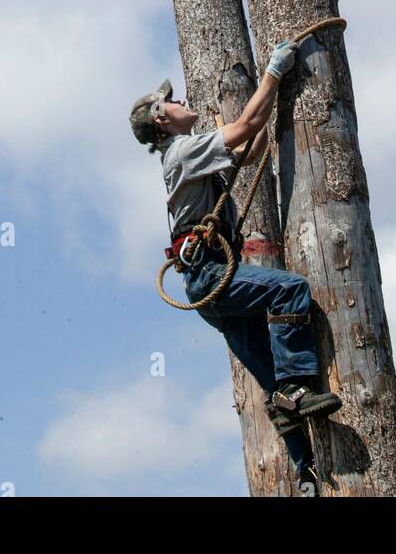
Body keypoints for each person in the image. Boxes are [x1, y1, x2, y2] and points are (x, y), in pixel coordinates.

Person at [130, 40, 341, 484]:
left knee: (270, 376)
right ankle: (300, 384)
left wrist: (269, 103)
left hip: (206, 282)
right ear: (160, 118)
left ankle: (305, 468)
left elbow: (252, 139)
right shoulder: (184, 152)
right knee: (290, 289)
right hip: (209, 273)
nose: (182, 101)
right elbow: (247, 126)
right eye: (173, 101)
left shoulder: (191, 154)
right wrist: (275, 72)